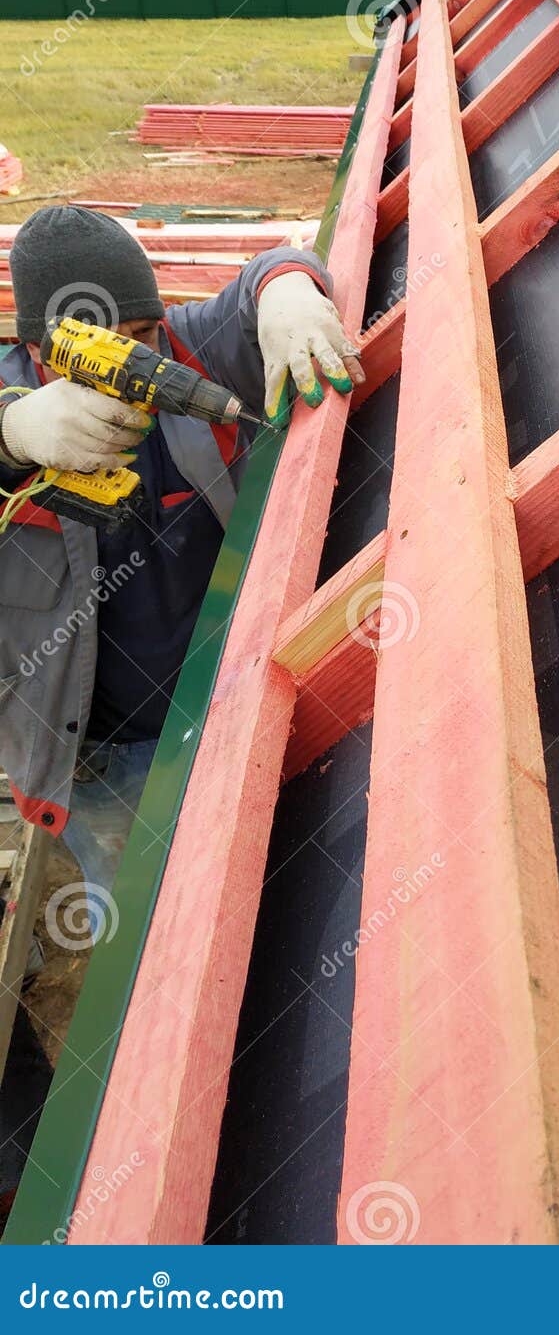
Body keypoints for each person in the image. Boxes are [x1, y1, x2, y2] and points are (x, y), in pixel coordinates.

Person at [0, 205, 361, 937]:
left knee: (264, 881)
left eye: (144, 335)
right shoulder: (18, 399)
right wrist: (12, 436)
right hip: (96, 750)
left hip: (224, 703)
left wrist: (289, 289)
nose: (139, 364)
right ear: (41, 348)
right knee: (147, 922)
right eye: (111, 346)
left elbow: (270, 270)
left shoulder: (184, 348)